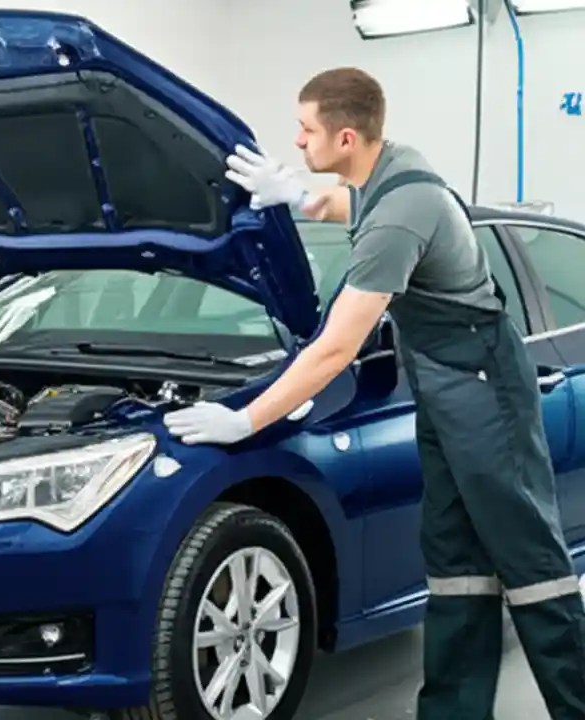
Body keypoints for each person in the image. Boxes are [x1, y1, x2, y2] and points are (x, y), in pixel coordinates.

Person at [164, 67, 585, 718]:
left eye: (306, 131)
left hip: (483, 389)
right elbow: (347, 207)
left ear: (348, 136)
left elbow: (334, 349)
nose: (298, 142)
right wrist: (294, 195)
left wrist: (245, 419)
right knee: (453, 561)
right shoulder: (390, 172)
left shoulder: (399, 214)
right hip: (445, 391)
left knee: (530, 561)